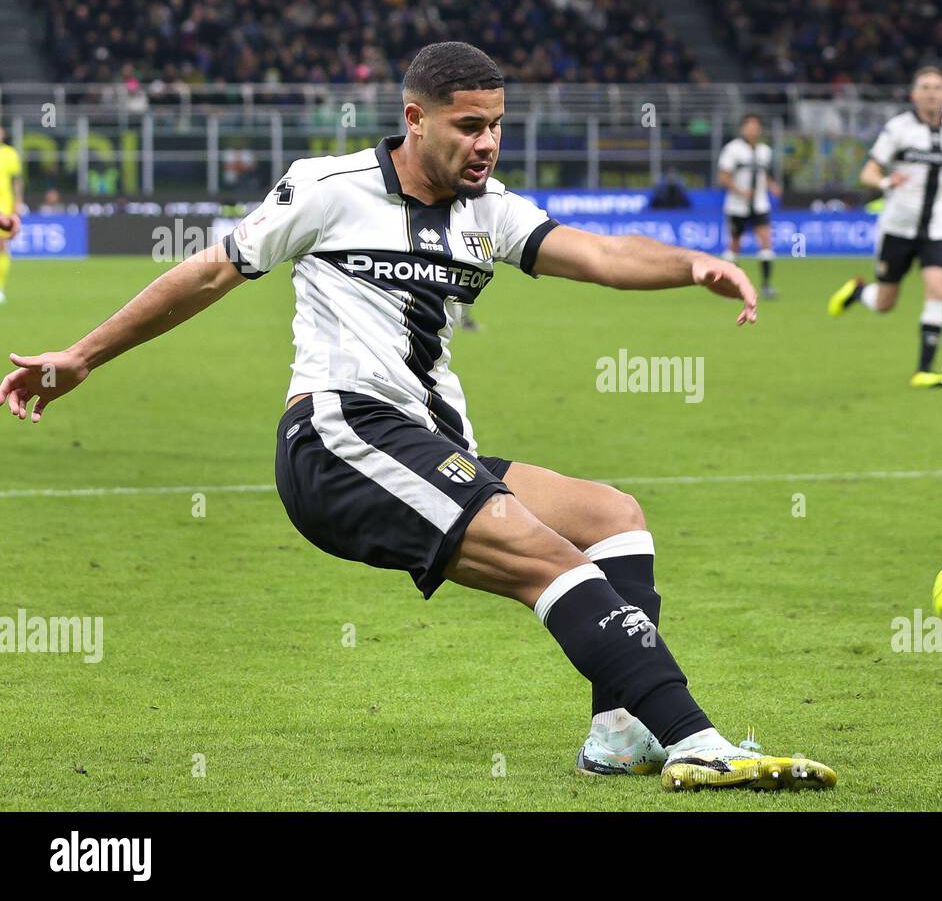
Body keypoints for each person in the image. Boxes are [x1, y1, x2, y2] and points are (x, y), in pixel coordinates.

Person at [1, 42, 835, 794]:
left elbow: (602, 253)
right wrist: (81, 355)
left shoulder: (491, 211)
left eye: (497, 126)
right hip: (337, 437)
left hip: (427, 445)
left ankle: (620, 736)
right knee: (548, 558)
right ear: (413, 119)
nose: (486, 144)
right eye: (468, 126)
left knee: (612, 520)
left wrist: (692, 263)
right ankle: (696, 739)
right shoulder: (327, 188)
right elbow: (210, 275)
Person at [827, 66, 942, 388]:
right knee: (886, 303)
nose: (931, 93)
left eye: (937, 87)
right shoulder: (898, 129)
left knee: (938, 288)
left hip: (938, 229)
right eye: (925, 87)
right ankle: (859, 292)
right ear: (914, 95)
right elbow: (868, 172)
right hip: (898, 228)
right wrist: (886, 181)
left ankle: (924, 370)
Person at [717, 114, 781, 298]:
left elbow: (764, 175)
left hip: (760, 204)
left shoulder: (765, 151)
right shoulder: (732, 150)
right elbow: (723, 177)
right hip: (737, 206)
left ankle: (767, 285)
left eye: (756, 126)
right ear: (743, 128)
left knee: (766, 241)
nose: (753, 130)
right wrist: (740, 191)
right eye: (750, 126)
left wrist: (772, 186)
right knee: (735, 245)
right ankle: (731, 287)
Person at [0, 125, 24, 305]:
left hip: (4, 205)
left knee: (1, 246)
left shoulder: (10, 154)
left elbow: (16, 182)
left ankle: (0, 287)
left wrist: (17, 203)